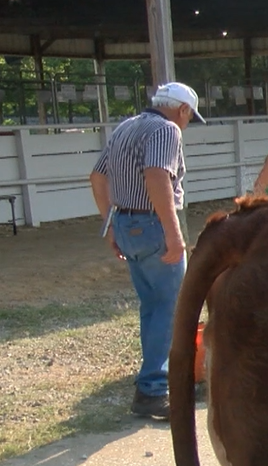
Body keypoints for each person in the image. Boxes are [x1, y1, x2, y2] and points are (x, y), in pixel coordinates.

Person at [89, 82, 206, 419]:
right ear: (182, 110)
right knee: (171, 307)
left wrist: (111, 224)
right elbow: (157, 175)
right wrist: (173, 233)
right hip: (153, 224)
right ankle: (154, 388)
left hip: (126, 223)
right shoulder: (166, 129)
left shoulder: (126, 126)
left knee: (152, 306)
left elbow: (98, 177)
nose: (186, 124)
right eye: (188, 117)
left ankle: (151, 379)